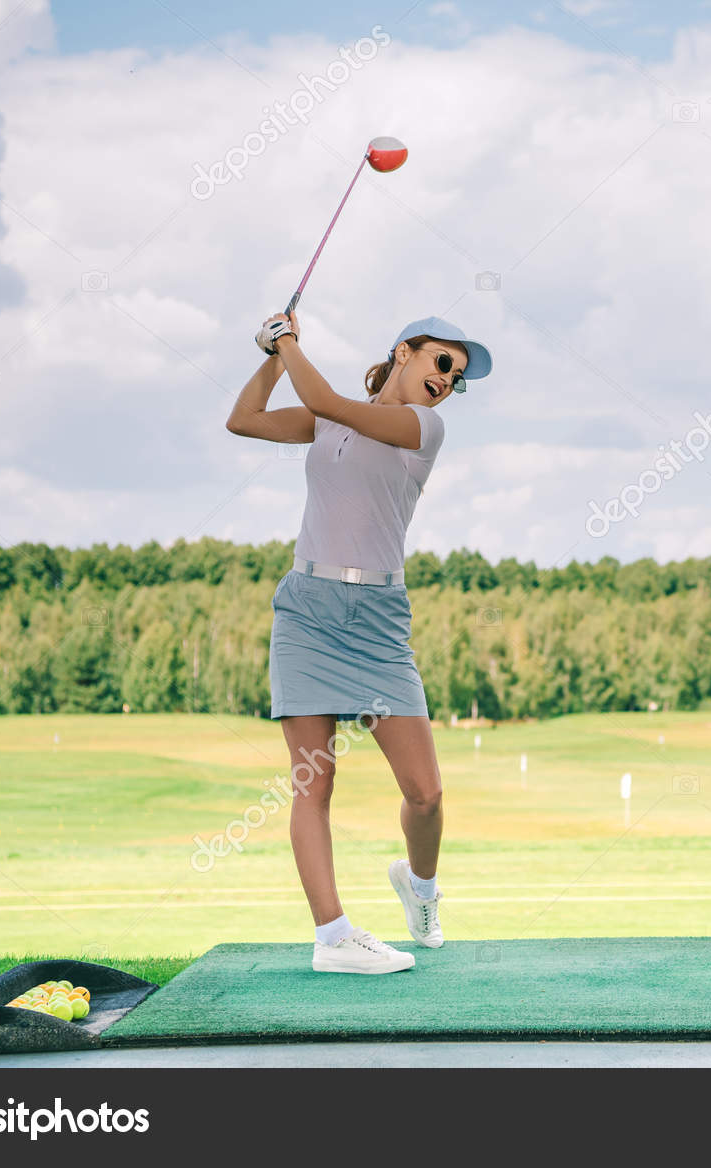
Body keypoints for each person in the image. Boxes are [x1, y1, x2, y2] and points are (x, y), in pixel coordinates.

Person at [225, 311, 492, 973]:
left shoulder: (423, 428)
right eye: (440, 363)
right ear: (404, 352)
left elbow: (322, 398)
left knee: (425, 792)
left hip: (376, 622)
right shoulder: (329, 421)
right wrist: (268, 354)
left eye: (455, 376)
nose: (447, 380)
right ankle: (333, 936)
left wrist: (285, 339)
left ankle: (420, 887)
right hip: (307, 614)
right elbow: (245, 418)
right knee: (313, 783)